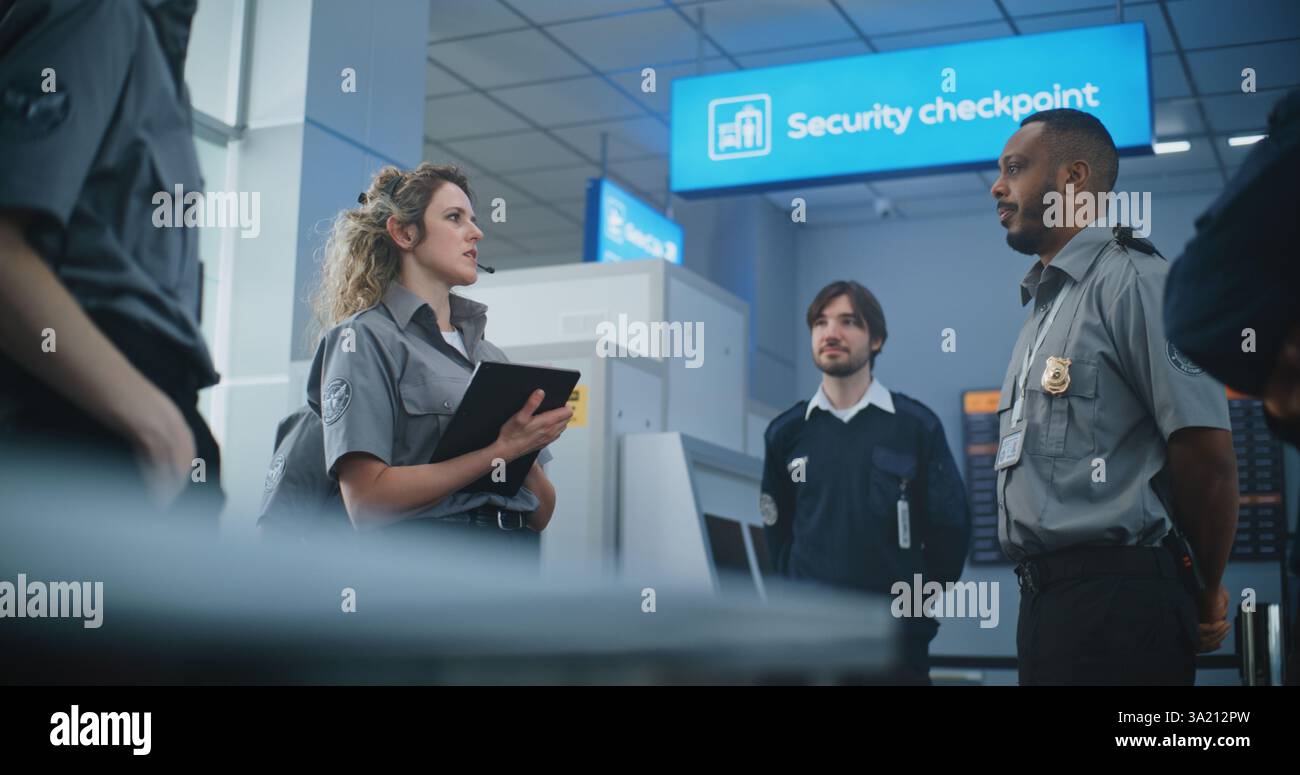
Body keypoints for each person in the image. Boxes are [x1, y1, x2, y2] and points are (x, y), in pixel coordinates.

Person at [989, 108, 1239, 685]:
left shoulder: (1138, 282)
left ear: (1073, 179)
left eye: (1016, 168)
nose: (997, 187)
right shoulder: (1044, 308)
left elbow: (1207, 457)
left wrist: (1204, 591)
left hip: (1122, 610)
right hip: (1048, 607)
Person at [259, 163, 569, 543]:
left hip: (511, 563)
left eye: (472, 219)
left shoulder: (493, 358)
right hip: (432, 562)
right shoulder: (364, 339)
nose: (476, 232)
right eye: (454, 218)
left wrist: (525, 444)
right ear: (404, 233)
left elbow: (541, 514)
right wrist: (499, 451)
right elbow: (367, 503)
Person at [0, 0, 222, 519]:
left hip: (138, 412)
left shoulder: (156, 60)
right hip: (91, 412)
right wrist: (152, 423)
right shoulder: (98, 14)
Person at [761, 280, 971, 682]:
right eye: (820, 323)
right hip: (807, 647)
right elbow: (778, 534)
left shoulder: (916, 426)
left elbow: (951, 533)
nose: (831, 333)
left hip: (893, 649)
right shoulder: (785, 433)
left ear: (876, 340)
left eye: (848, 322)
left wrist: (908, 606)